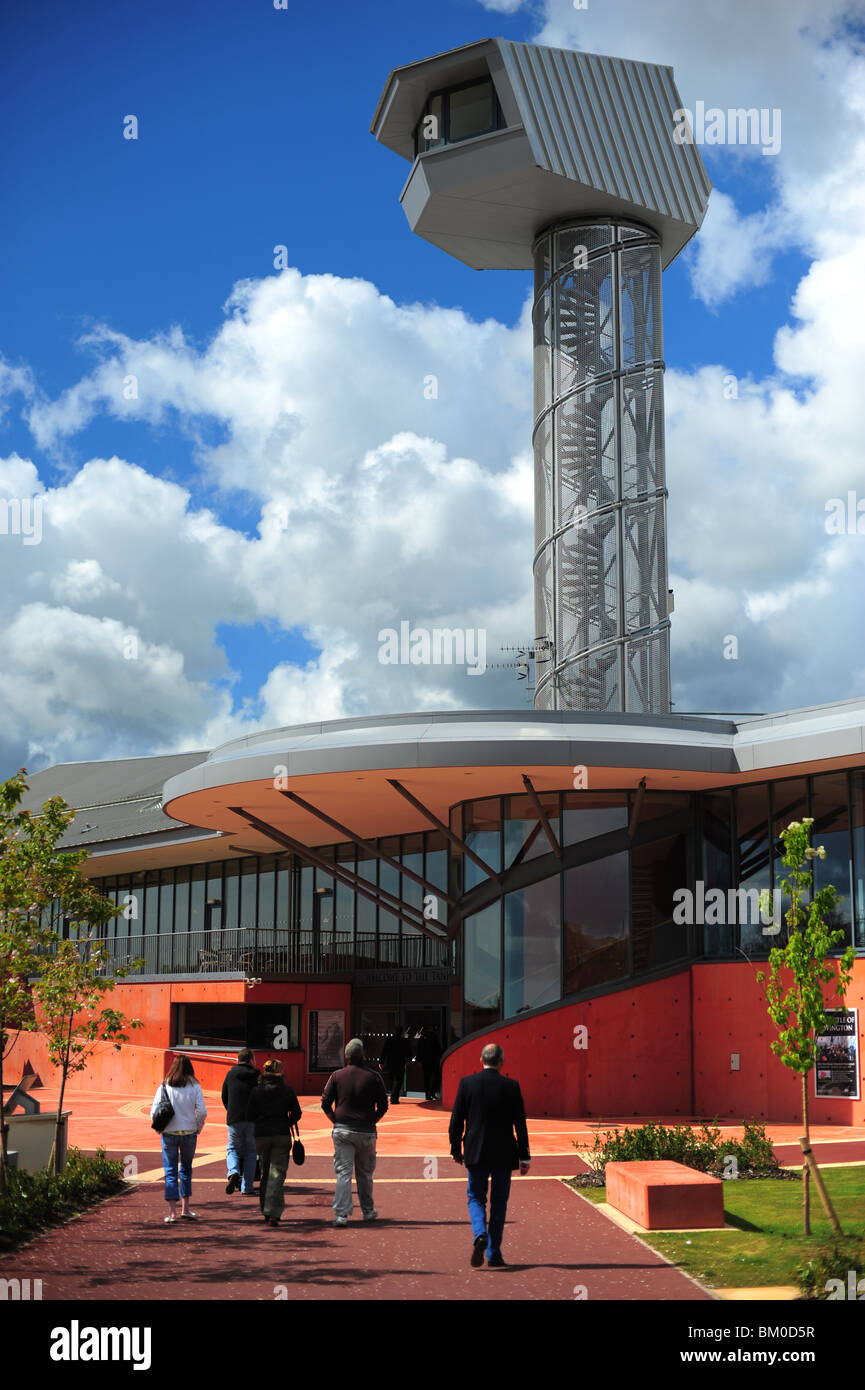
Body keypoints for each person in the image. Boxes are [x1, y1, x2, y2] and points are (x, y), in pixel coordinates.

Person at [449, 1042, 530, 1268]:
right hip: (504, 1152)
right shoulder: (511, 1086)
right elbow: (520, 1124)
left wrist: (455, 1149)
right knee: (499, 1202)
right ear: (501, 1062)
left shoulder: (467, 1084)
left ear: (481, 1060)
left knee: (475, 1197)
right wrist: (524, 1156)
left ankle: (479, 1234)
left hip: (476, 1151)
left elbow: (456, 1121)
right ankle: (494, 1252)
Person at [321, 1038, 388, 1226]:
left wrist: (335, 1120)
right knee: (365, 1173)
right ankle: (367, 1211)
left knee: (343, 1173)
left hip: (343, 1129)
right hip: (366, 1130)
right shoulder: (374, 1077)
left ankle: (341, 1214)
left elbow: (325, 1103)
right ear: (363, 1055)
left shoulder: (336, 1075)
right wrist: (372, 1120)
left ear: (346, 1056)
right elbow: (383, 1106)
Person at [150, 1054, 207, 1224]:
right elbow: (202, 1111)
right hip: (189, 1132)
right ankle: (186, 1208)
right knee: (186, 1169)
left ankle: (172, 1212)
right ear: (190, 1068)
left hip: (169, 1133)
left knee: (170, 1171)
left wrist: (160, 1127)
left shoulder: (164, 1086)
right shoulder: (194, 1085)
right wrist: (197, 1126)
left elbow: (154, 1111)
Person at [246, 1059, 302, 1226]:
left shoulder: (256, 1091)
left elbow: (249, 1115)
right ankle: (272, 1211)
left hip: (261, 1135)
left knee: (264, 1173)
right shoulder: (287, 1090)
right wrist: (287, 1120)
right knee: (277, 1174)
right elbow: (297, 1113)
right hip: (281, 1133)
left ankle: (266, 1209)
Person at [221, 1047, 260, 1196]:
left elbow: (224, 1095)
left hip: (234, 1118)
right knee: (251, 1151)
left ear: (238, 1059)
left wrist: (230, 1110)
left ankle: (233, 1171)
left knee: (232, 1148)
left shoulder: (230, 1074)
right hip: (252, 1119)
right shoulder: (257, 1075)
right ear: (251, 1060)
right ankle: (247, 1187)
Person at [380, 1027, 410, 1103]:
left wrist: (381, 1061)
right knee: (398, 1080)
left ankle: (393, 1096)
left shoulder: (389, 1040)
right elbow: (408, 1053)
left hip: (390, 1062)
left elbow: (384, 1051)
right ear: (401, 1032)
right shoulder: (404, 1041)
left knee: (392, 1080)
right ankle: (394, 1097)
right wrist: (409, 1060)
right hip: (400, 1062)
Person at [416, 1027, 443, 1101]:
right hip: (433, 1060)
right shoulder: (434, 1037)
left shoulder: (422, 1038)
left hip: (425, 1060)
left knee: (426, 1077)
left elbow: (418, 1049)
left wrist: (419, 1060)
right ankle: (432, 1092)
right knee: (437, 1076)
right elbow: (438, 1048)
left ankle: (427, 1094)